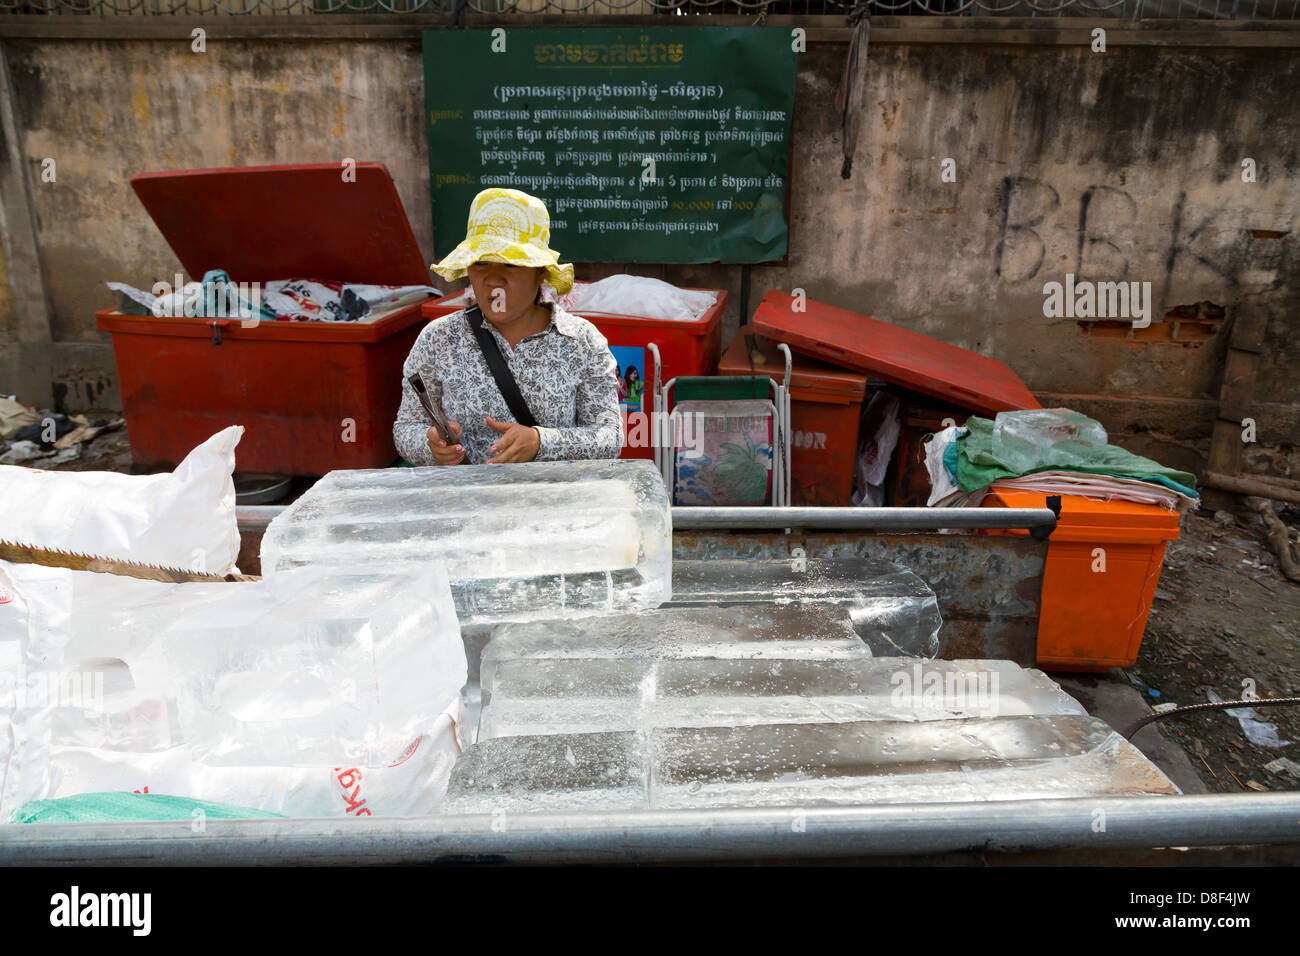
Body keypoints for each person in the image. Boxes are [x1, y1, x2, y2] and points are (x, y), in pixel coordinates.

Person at [393, 188, 623, 466]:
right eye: (481, 264)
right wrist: (431, 446)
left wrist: (540, 442)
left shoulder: (581, 342)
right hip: (466, 505)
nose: (493, 279)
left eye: (511, 265)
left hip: (553, 504)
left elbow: (608, 438)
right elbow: (407, 428)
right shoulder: (439, 339)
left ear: (540, 273)